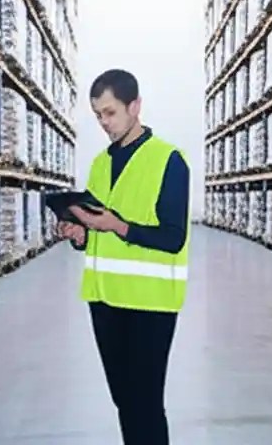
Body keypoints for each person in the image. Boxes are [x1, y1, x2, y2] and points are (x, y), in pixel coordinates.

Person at [58, 69, 190, 445]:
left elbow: (173, 237)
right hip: (104, 300)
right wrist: (80, 234)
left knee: (145, 404)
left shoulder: (169, 160)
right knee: (124, 402)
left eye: (110, 112)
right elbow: (98, 231)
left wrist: (117, 226)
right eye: (97, 114)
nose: (104, 122)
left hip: (150, 304)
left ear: (135, 106)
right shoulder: (100, 164)